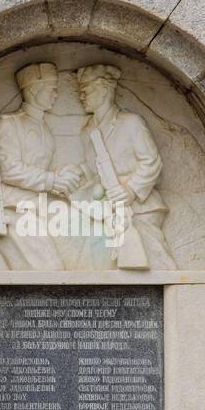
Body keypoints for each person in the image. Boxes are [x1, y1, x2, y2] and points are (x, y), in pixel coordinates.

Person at [0, 62, 84, 268]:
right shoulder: (9, 122)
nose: (56, 94)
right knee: (50, 269)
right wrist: (52, 180)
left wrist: (60, 176)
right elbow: (10, 170)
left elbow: (38, 170)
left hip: (30, 206)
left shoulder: (44, 129)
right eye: (51, 89)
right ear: (33, 90)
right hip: (6, 207)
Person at [76, 63, 175, 269]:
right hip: (107, 207)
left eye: (86, 91)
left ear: (103, 91)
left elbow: (151, 161)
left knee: (158, 262)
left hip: (140, 207)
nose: (82, 97)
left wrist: (130, 190)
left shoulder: (131, 122)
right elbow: (93, 170)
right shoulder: (88, 131)